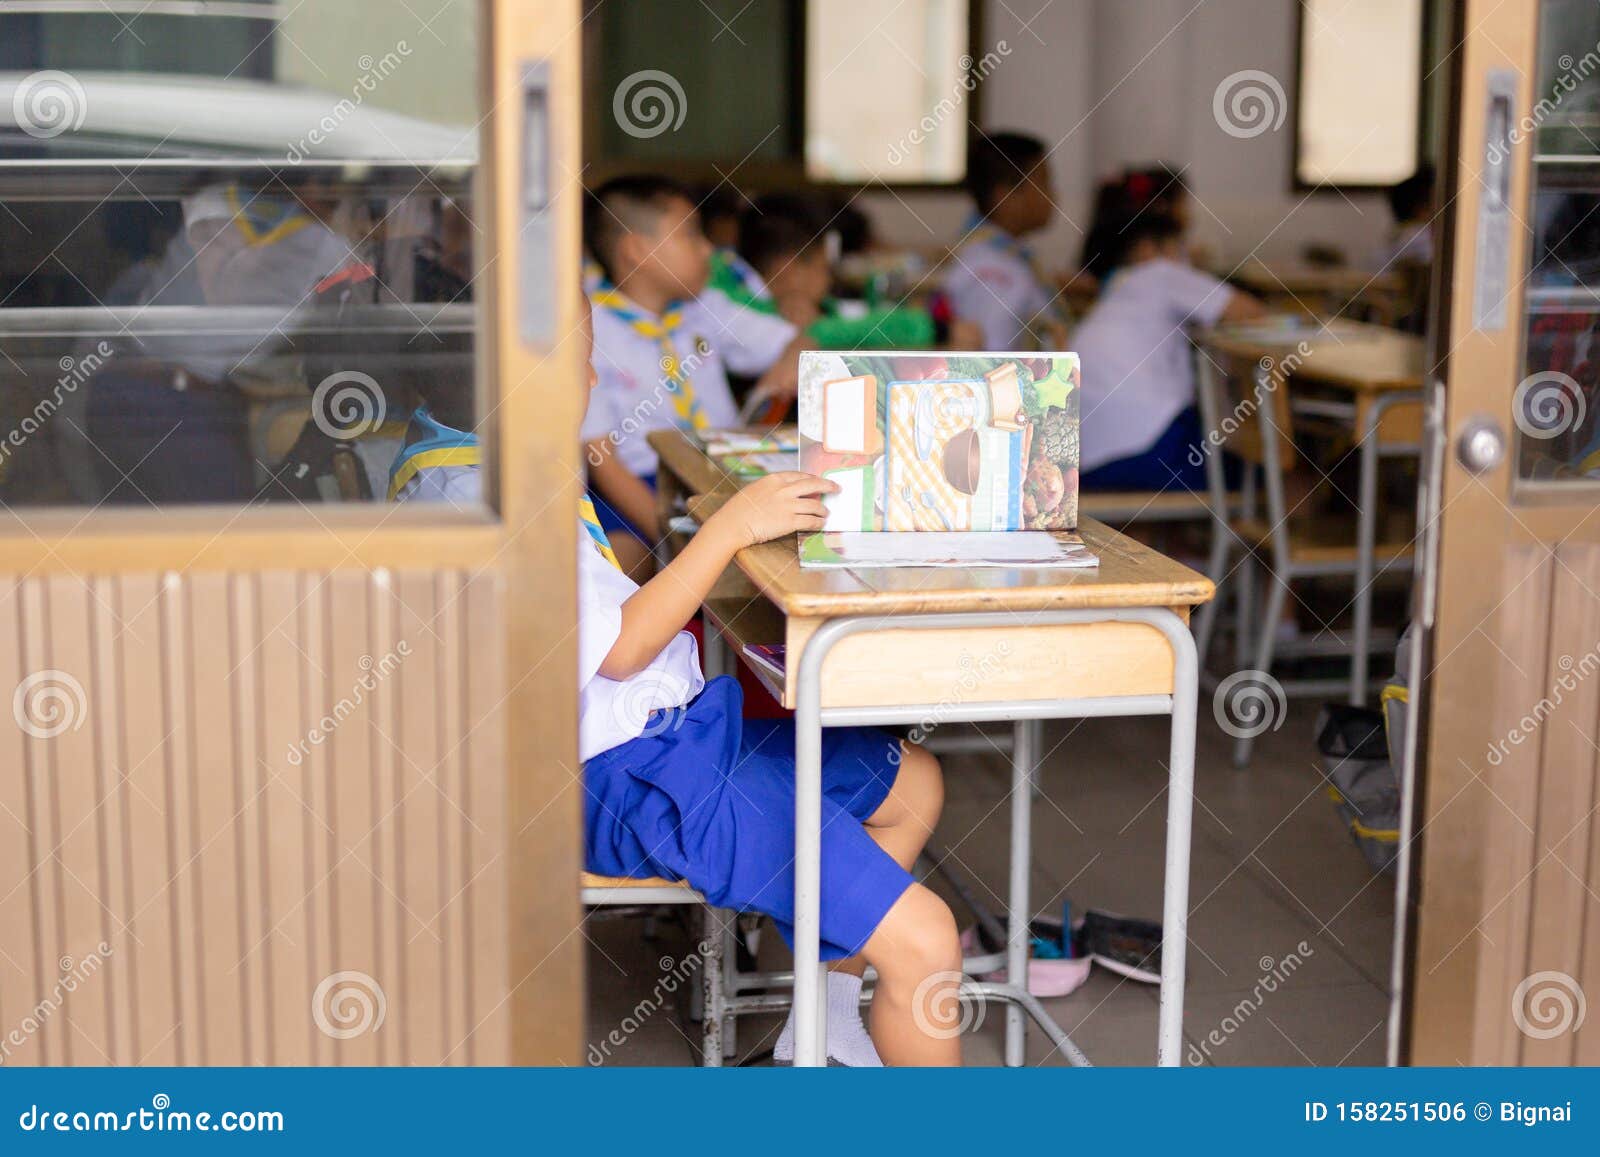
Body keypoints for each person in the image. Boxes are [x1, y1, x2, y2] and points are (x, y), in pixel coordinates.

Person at [583, 175, 809, 577]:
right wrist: (682, 543)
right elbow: (605, 464)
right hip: (643, 488)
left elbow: (796, 343)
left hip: (726, 472)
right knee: (616, 563)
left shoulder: (706, 307)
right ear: (637, 249)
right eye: (690, 235)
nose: (709, 249)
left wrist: (791, 359)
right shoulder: (590, 329)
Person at [1073, 210, 1265, 491]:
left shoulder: (1110, 296)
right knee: (1265, 470)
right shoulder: (1159, 273)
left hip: (1086, 467)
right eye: (1181, 247)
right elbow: (1249, 312)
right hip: (1151, 451)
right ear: (1149, 249)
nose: (1186, 259)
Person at [942, 131, 1061, 350]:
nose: (1053, 195)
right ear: (1005, 196)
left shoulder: (1004, 256)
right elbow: (993, 364)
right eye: (1043, 183)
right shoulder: (995, 273)